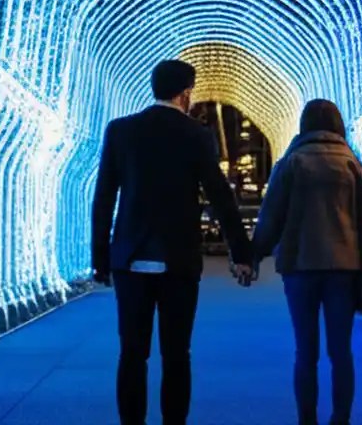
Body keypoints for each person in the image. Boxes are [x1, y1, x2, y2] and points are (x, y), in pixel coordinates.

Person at [92, 59, 256, 425]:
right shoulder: (196, 135)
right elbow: (220, 197)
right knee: (176, 354)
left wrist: (101, 258)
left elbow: (104, 198)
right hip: (178, 260)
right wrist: (240, 253)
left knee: (132, 353)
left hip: (130, 258)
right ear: (185, 94)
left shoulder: (120, 131)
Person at [252, 99, 362, 425]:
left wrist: (252, 256)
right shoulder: (353, 164)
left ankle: (307, 419)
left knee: (306, 352)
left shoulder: (292, 163)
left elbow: (271, 217)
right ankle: (341, 419)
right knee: (341, 351)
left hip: (300, 267)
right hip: (344, 269)